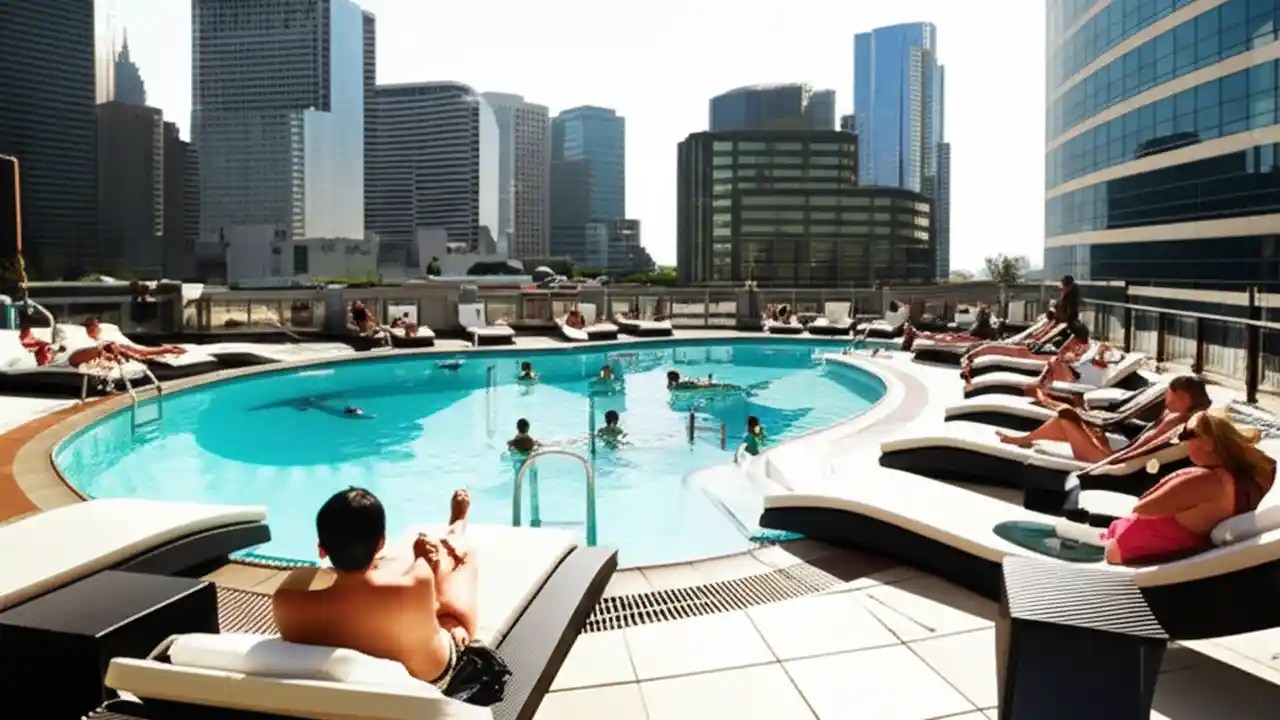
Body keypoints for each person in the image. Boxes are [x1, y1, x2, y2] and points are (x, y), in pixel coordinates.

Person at [272, 487, 480, 687]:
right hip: (430, 680)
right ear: (381, 543)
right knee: (458, 563)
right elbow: (428, 568)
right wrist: (422, 555)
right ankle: (457, 525)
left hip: (348, 693)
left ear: (321, 549)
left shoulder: (286, 602)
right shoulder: (415, 584)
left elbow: (305, 574)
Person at [1102, 411, 1275, 565]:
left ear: (1208, 443)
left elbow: (1143, 507)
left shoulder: (1206, 481)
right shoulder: (1242, 477)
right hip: (1165, 548)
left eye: (1187, 434)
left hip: (1129, 552)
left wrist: (1174, 477)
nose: (1183, 442)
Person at [996, 374, 1212, 463]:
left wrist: (1103, 446)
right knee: (1071, 418)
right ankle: (1024, 438)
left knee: (1066, 417)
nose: (1164, 398)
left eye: (1168, 394)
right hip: (1119, 452)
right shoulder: (1177, 415)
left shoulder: (1177, 423)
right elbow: (1142, 438)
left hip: (1110, 461)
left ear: (1182, 397)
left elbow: (1139, 452)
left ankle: (1023, 438)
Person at [83, 316, 187, 361]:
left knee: (143, 351)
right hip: (123, 346)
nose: (93, 330)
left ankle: (171, 349)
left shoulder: (104, 331)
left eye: (94, 327)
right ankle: (171, 349)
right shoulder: (93, 338)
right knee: (143, 351)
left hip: (125, 344)